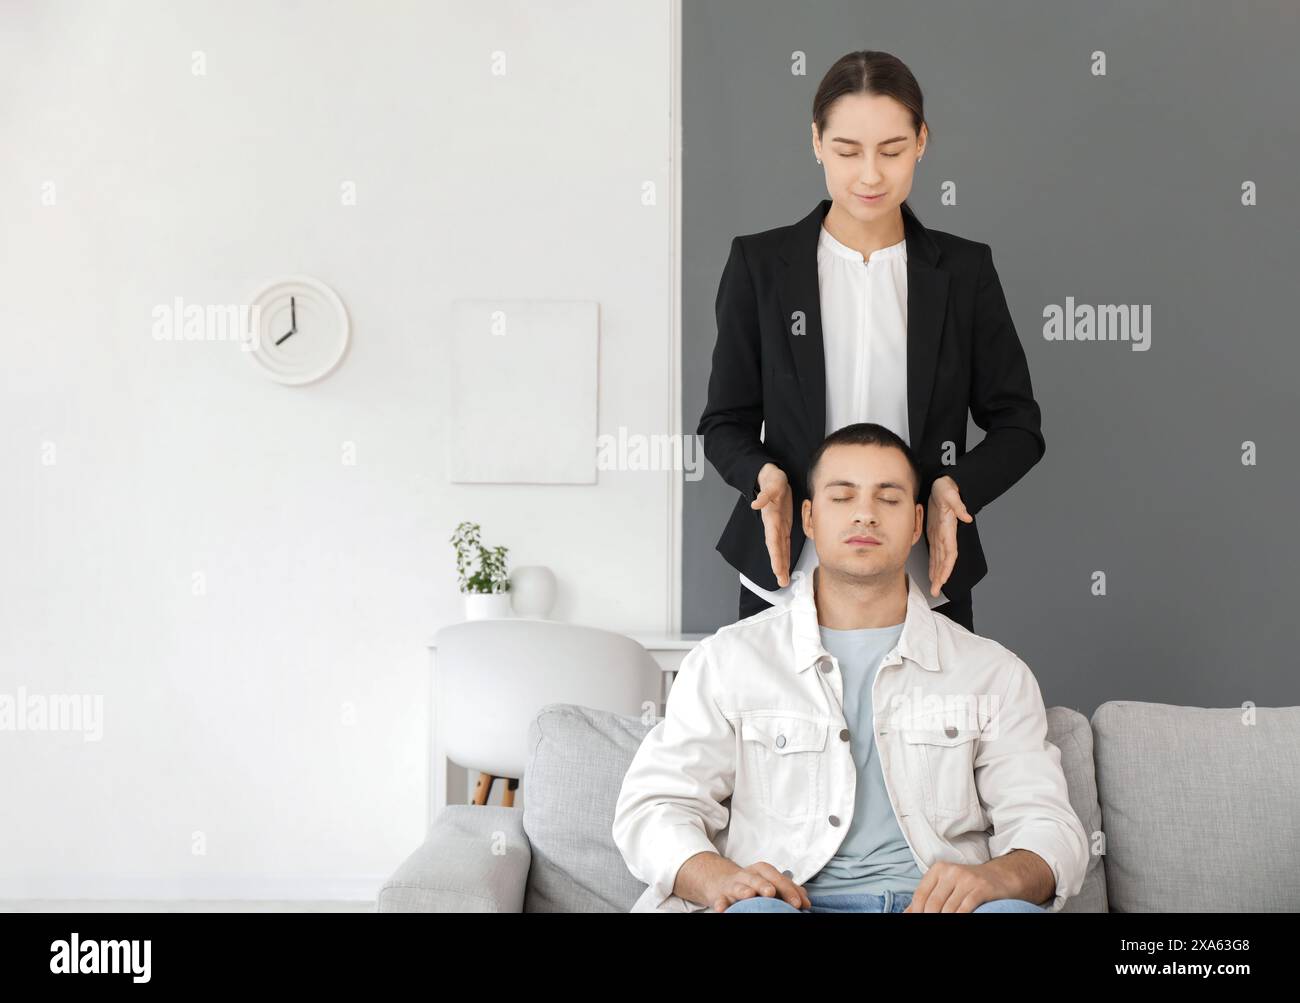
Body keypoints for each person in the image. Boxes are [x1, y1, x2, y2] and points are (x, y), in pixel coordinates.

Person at [611, 424, 1088, 914]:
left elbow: (1048, 825)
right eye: (842, 497)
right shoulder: (728, 661)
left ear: (919, 521)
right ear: (810, 518)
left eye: (889, 498)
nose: (865, 514)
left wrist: (995, 879)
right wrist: (721, 883)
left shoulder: (993, 673)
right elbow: (654, 808)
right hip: (785, 904)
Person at [697, 50, 1045, 631]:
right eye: (847, 150)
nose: (870, 175)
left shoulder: (964, 271)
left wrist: (953, 491)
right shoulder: (760, 265)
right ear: (816, 142)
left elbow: (1018, 426)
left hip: (924, 571)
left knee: (926, 723)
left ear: (921, 141)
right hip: (784, 571)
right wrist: (767, 477)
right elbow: (724, 422)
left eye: (891, 150)